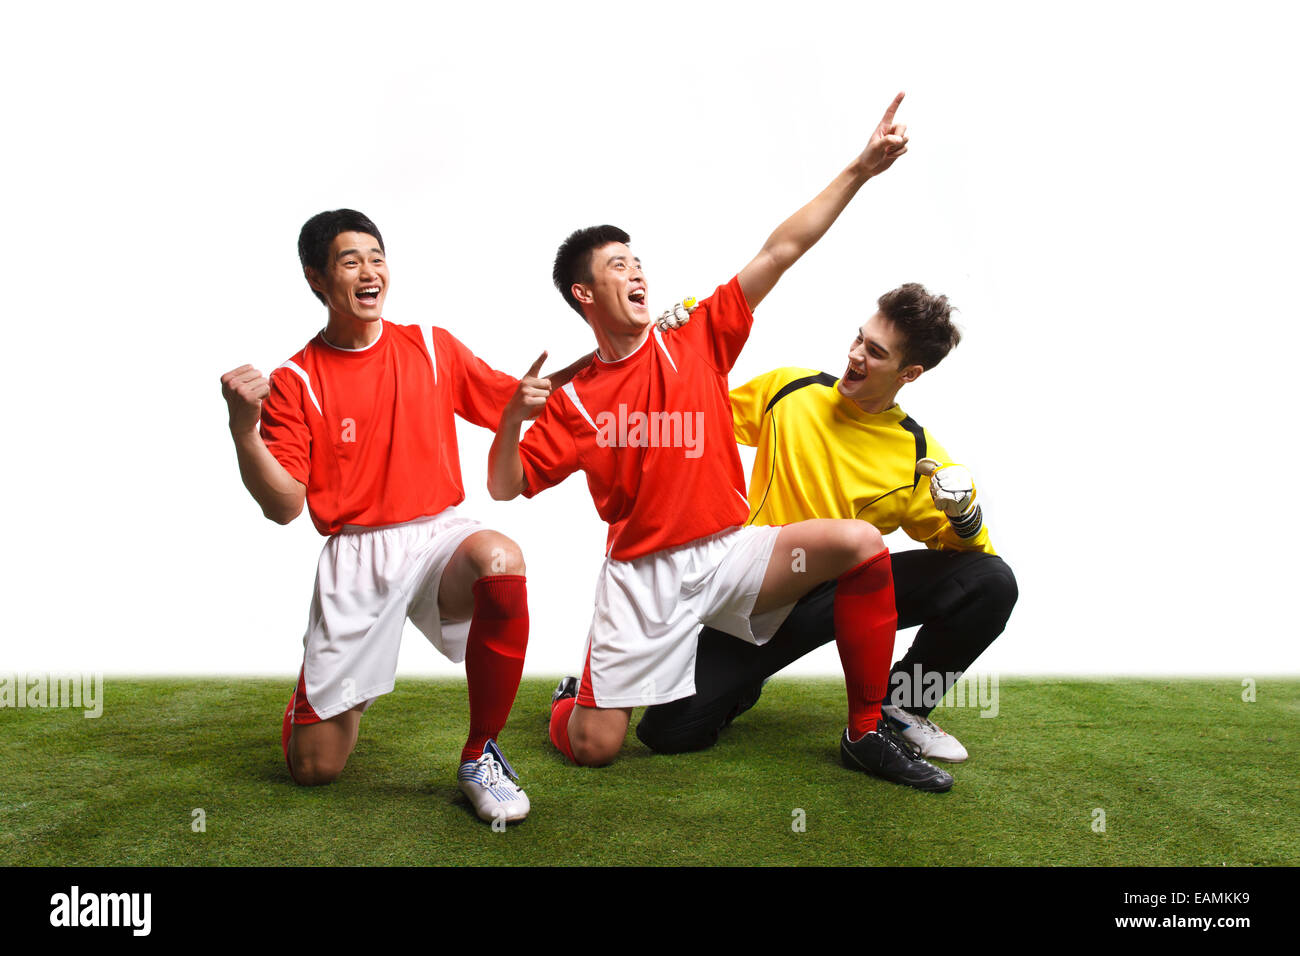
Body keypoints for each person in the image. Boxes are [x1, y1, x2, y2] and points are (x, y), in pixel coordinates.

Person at [489, 93, 953, 793]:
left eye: (637, 260)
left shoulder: (697, 336)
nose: (636, 271)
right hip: (642, 580)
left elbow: (780, 250)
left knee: (859, 543)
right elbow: (506, 486)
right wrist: (508, 423)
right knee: (595, 748)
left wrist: (860, 170)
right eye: (617, 266)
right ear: (585, 294)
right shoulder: (575, 400)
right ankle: (575, 697)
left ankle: (865, 732)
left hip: (730, 553)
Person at [218, 209, 580, 824]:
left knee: (502, 561)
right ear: (316, 278)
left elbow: (517, 401)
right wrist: (243, 429)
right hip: (357, 556)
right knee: (314, 769)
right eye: (350, 261)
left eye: (377, 258)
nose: (369, 272)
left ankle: (480, 755)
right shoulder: (296, 380)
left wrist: (607, 357)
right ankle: (320, 695)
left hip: (438, 537)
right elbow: (283, 506)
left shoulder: (432, 347)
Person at [636, 284, 1019, 761]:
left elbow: (971, 562)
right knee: (669, 732)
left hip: (848, 596)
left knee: (993, 581)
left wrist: (965, 515)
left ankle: (902, 705)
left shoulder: (918, 453)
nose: (855, 354)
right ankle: (743, 683)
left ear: (909, 373)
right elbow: (692, 420)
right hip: (763, 591)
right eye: (859, 338)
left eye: (875, 352)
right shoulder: (790, 390)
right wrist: (667, 353)